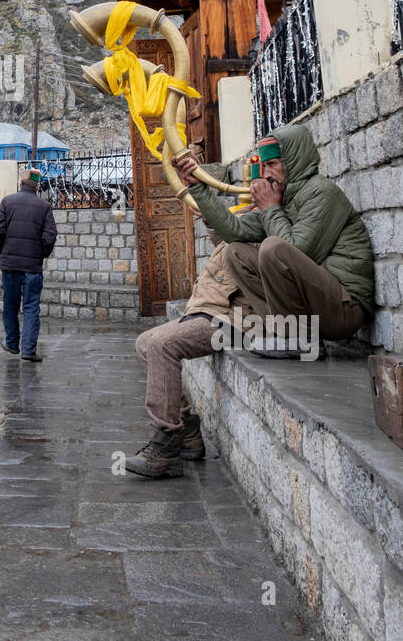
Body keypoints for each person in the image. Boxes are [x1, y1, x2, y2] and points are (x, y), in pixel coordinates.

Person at [174, 123, 374, 359]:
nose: (266, 173)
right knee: (235, 252)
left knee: (273, 248)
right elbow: (234, 231)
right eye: (264, 166)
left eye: (272, 165)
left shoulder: (322, 192)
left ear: (292, 162)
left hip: (344, 310)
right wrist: (199, 188)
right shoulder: (284, 197)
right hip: (315, 309)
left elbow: (298, 252)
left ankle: (300, 338)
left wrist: (270, 208)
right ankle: (287, 332)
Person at [125, 230, 243, 478]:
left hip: (234, 319)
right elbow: (220, 232)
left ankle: (166, 446)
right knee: (145, 342)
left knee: (162, 345)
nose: (252, 191)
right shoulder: (241, 223)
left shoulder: (268, 223)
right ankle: (189, 433)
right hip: (206, 311)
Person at [0, 168, 58, 363]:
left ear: (20, 184)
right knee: (30, 307)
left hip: (10, 265)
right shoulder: (44, 206)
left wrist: (2, 251)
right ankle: (28, 350)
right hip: (32, 268)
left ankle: (12, 343)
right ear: (37, 186)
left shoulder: (7, 202)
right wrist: (40, 255)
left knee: (10, 306)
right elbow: (50, 236)